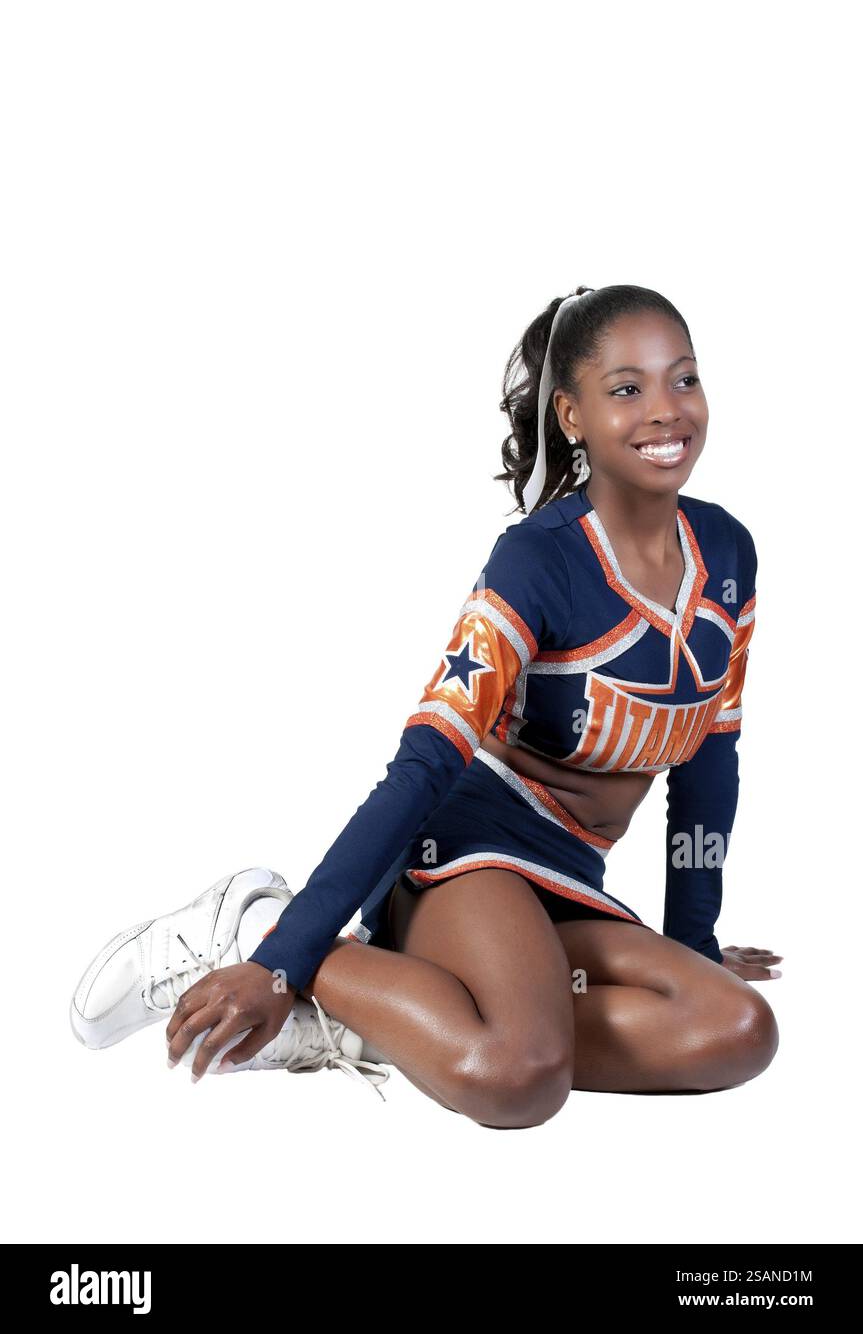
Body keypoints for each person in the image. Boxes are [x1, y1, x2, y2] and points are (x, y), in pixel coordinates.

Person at [71, 284, 781, 1126]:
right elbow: (424, 762)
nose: (666, 411)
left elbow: (708, 764)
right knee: (516, 1075)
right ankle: (257, 933)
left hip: (569, 881)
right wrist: (281, 961)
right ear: (571, 415)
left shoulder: (727, 551)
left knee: (733, 1027)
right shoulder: (535, 561)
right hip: (466, 853)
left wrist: (693, 943)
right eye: (626, 389)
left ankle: (396, 1021)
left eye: (685, 380)